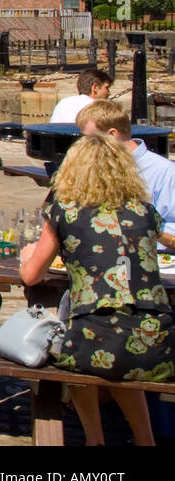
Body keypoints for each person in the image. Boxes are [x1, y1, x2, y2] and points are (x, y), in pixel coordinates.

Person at [20, 135, 173, 446]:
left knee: (82, 342)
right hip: (158, 343)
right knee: (119, 344)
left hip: (95, 339)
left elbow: (32, 275)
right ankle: (145, 439)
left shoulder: (64, 211)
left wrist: (26, 256)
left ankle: (94, 440)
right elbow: (163, 239)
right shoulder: (144, 210)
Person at [77, 99, 175, 242]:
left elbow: (172, 225)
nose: (84, 146)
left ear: (112, 135)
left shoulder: (164, 171)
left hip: (153, 258)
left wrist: (141, 231)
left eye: (90, 139)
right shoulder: (93, 166)